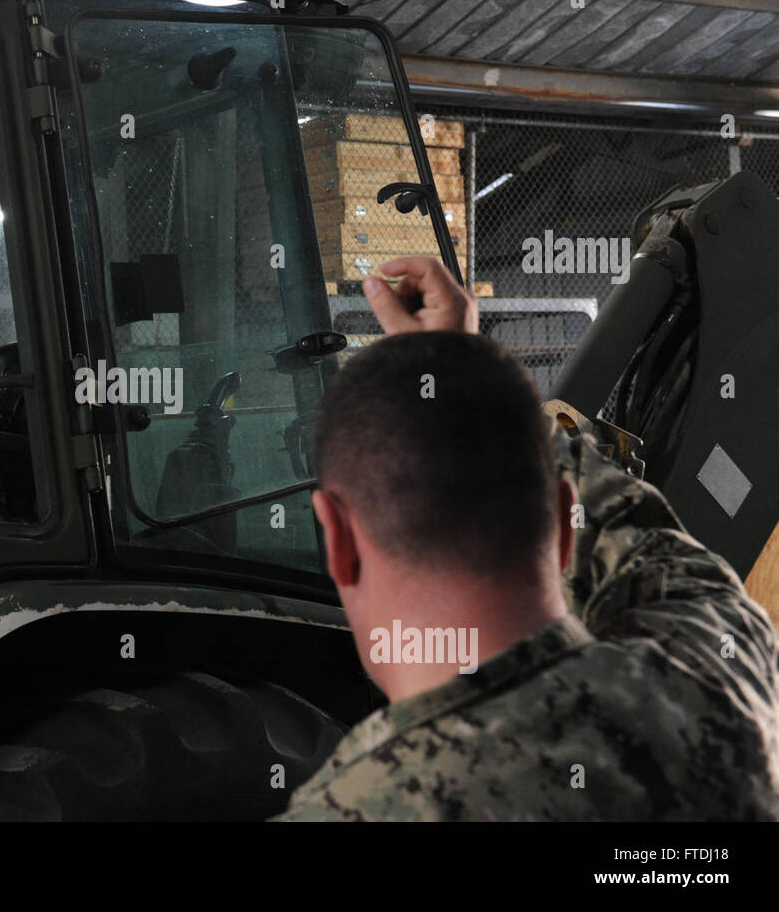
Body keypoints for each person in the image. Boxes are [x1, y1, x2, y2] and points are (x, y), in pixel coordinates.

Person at [278, 256, 779, 821]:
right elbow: (658, 553)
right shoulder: (715, 671)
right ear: (566, 518)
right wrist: (475, 383)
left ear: (338, 542)